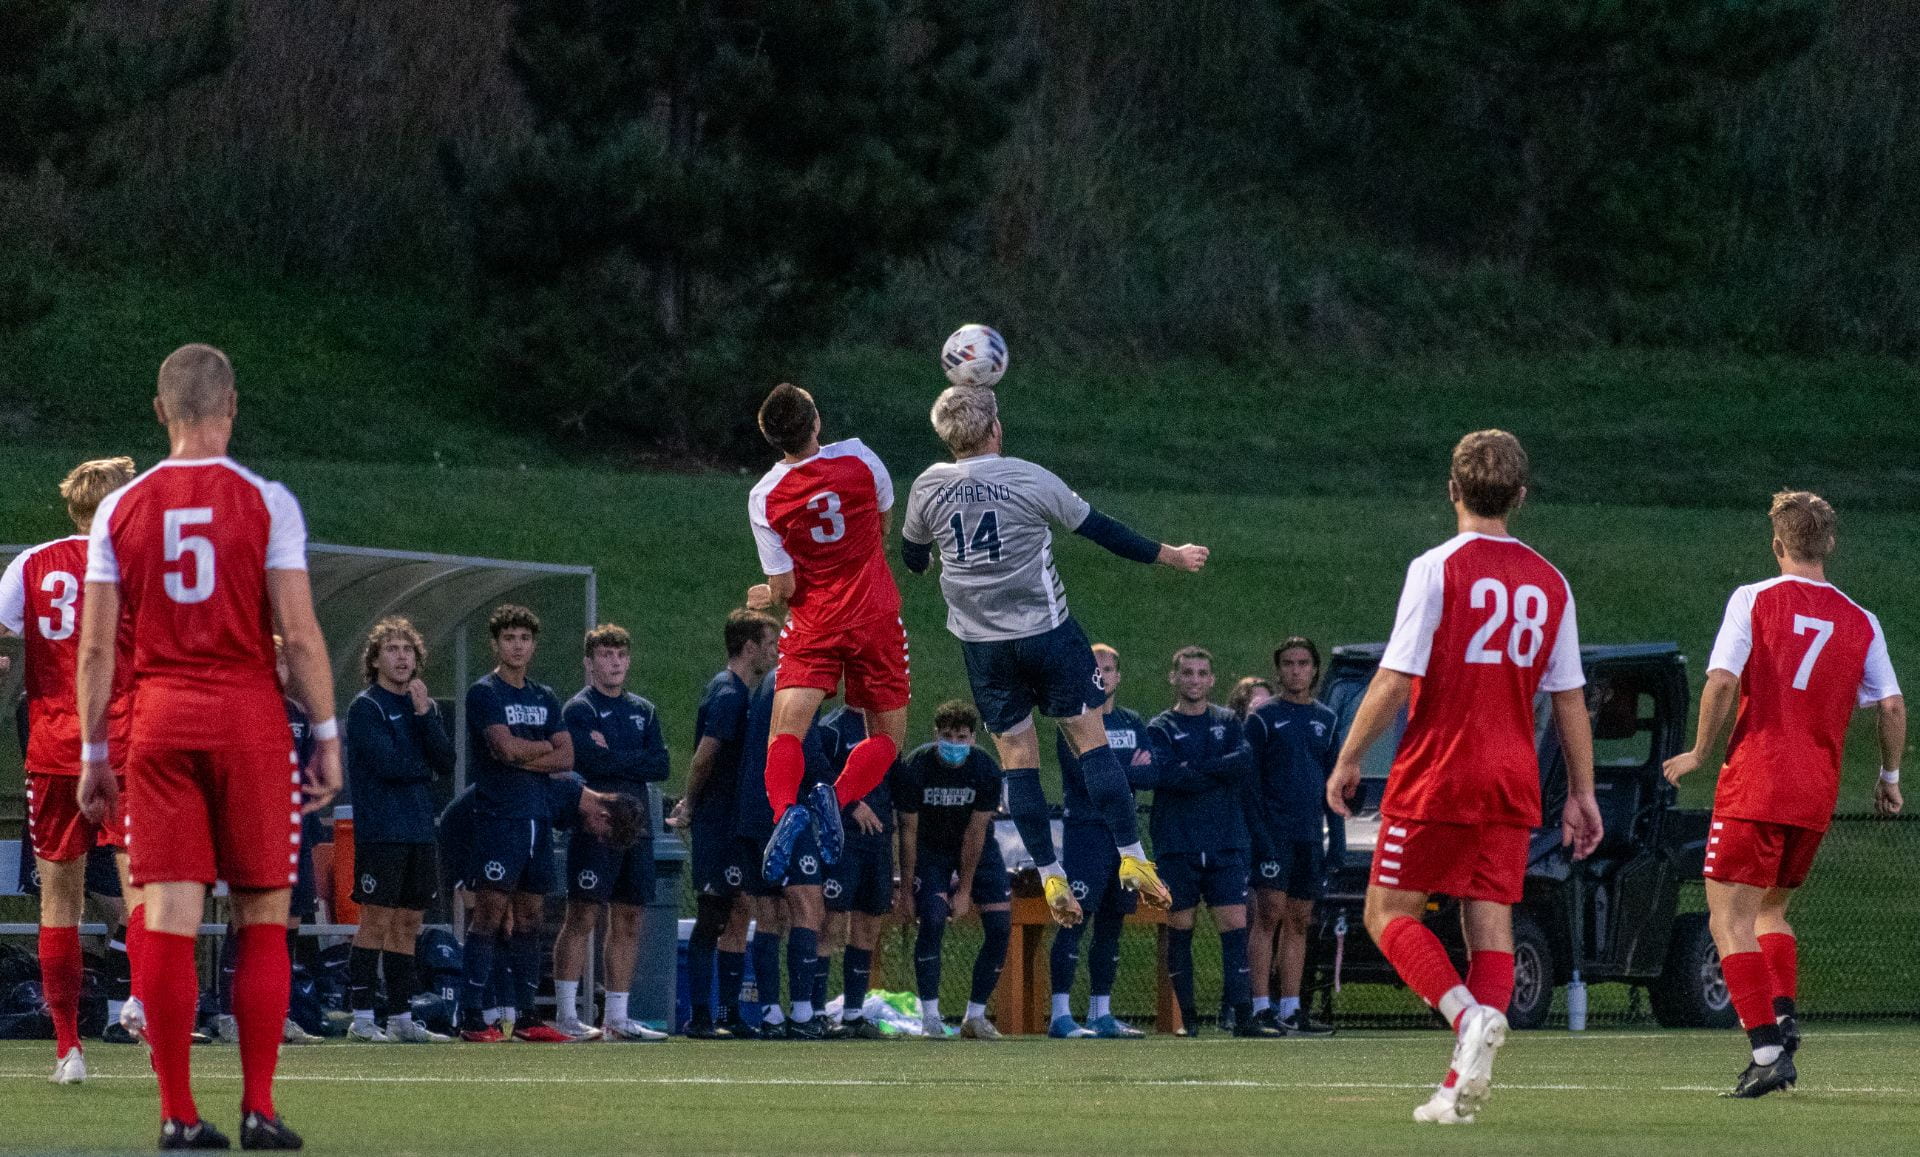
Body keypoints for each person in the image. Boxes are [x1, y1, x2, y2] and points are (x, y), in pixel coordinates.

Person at [75, 344, 343, 1149]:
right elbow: (297, 635)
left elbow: (95, 650)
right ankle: (258, 1106)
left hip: (159, 718)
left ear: (161, 411)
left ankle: (177, 1113)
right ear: (231, 404)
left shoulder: (120, 509)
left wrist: (95, 751)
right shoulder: (267, 501)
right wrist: (326, 733)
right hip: (249, 718)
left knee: (169, 917)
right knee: (263, 912)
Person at [1327, 429, 1601, 1126]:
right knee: (1491, 926)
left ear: (1452, 489)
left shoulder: (1437, 567)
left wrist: (1350, 755)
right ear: (1520, 497)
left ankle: (1466, 1014)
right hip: (1512, 775)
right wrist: (1582, 791)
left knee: (1387, 911)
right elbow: (1569, 696)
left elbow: (1395, 675)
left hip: (1441, 768)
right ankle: (1456, 1089)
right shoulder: (1551, 580)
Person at [900, 384, 1205, 925]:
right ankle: (1133, 859)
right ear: (996, 428)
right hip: (1048, 632)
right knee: (1089, 739)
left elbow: (913, 558)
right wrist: (1171, 555)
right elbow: (1102, 530)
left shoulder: (928, 486)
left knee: (1018, 755)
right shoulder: (1028, 477)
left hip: (983, 647)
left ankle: (1048, 873)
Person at [1662, 491, 1904, 1098]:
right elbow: (1892, 704)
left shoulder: (1753, 599)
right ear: (1830, 545)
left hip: (1756, 781)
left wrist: (1698, 752)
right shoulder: (1861, 619)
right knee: (1771, 911)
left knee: (1728, 918)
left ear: (1778, 544)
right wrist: (1889, 778)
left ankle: (1768, 1051)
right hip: (1814, 792)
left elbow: (1721, 680)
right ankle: (1784, 1016)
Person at [0, 456, 138, 1084]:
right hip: (129, 745)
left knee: (62, 901)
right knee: (149, 888)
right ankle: (142, 1000)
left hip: (54, 748)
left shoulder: (30, 564)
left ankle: (68, 1049)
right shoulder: (140, 564)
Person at [746, 383, 912, 886]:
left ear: (772, 438)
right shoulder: (861, 460)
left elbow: (785, 585)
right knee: (887, 738)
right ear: (816, 421)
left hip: (815, 621)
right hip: (875, 616)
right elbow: (882, 523)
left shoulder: (765, 496)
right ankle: (834, 801)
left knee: (786, 732)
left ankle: (784, 813)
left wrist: (764, 596)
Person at [455, 604, 576, 1043]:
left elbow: (568, 757)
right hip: (498, 817)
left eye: (524, 639)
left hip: (538, 819)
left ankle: (526, 1018)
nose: (517, 646)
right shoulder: (485, 693)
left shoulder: (544, 697)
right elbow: (503, 750)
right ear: (496, 643)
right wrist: (540, 749)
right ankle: (472, 1016)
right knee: (489, 914)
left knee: (531, 916)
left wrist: (530, 753)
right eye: (509, 638)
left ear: (533, 645)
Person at [554, 623, 670, 1042]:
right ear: (589, 663)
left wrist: (613, 757)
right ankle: (567, 1015)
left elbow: (660, 764)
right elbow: (586, 759)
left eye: (620, 655)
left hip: (636, 826)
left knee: (630, 918)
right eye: (605, 655)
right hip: (595, 824)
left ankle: (617, 1018)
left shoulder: (644, 709)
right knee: (582, 915)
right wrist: (624, 758)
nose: (615, 662)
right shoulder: (579, 710)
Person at [343, 617, 455, 1043]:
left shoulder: (424, 705)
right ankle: (363, 1017)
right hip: (382, 830)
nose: (402, 656)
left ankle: (402, 1018)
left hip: (419, 829)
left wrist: (425, 715)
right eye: (392, 649)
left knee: (410, 922)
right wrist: (421, 769)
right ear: (375, 660)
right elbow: (388, 764)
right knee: (376, 920)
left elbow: (445, 762)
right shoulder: (365, 707)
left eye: (408, 649)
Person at [670, 608, 780, 1039]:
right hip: (717, 821)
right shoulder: (728, 693)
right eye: (769, 644)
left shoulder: (742, 692)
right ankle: (700, 1015)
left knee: (737, 911)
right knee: (714, 912)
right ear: (750, 647)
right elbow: (705, 755)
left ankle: (729, 1013)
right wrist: (690, 805)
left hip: (735, 822)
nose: (774, 652)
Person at [1146, 647, 1255, 1036]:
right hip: (1178, 842)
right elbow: (1167, 775)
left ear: (1212, 679)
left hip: (1225, 841)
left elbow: (1242, 763)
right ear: (1174, 678)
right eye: (1187, 673)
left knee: (1234, 927)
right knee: (1181, 928)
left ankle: (1242, 1017)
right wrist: (1213, 771)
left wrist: (1195, 770)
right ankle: (1188, 1021)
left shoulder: (1227, 721)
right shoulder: (1159, 727)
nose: (1194, 679)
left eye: (1201, 673)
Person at [1047, 643, 1154, 1039]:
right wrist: (1128, 770)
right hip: (1087, 833)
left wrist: (1117, 772)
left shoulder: (1132, 722)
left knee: (1112, 923)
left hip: (1122, 837)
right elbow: (1086, 779)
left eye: (1109, 669)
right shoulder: (1074, 721)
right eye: (1096, 669)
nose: (1103, 675)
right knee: (1074, 918)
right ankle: (1060, 1015)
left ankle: (1100, 1013)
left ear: (1118, 677)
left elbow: (1152, 772)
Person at [894, 701, 1011, 1040]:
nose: (955, 743)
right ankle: (930, 1017)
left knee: (1001, 924)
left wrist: (964, 889)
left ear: (973, 738)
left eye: (962, 737)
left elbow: (976, 833)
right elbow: (908, 831)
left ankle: (974, 1016)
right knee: (931, 918)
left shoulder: (986, 770)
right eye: (947, 736)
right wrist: (905, 890)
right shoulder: (917, 766)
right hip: (931, 850)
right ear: (935, 735)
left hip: (977, 849)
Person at [1243, 637, 1339, 1037]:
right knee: (1268, 916)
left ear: (1314, 669)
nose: (1296, 670)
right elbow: (1249, 786)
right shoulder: (1263, 718)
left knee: (1300, 921)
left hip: (1309, 836)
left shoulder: (1327, 720)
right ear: (1278, 669)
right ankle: (1260, 1006)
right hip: (1274, 834)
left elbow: (1336, 785)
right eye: (1288, 663)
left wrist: (1338, 838)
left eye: (1303, 663)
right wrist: (1261, 837)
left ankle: (1292, 1007)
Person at [733, 668, 834, 1039]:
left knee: (769, 915)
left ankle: (772, 1015)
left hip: (752, 809)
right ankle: (804, 1014)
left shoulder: (768, 681)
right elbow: (802, 747)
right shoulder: (803, 680)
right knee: (808, 907)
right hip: (784, 808)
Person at [816, 700, 894, 1038]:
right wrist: (851, 804)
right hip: (843, 840)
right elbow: (817, 777)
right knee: (831, 924)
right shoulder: (832, 728)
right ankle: (815, 1011)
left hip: (878, 843)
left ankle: (853, 1013)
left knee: (868, 927)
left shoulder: (887, 726)